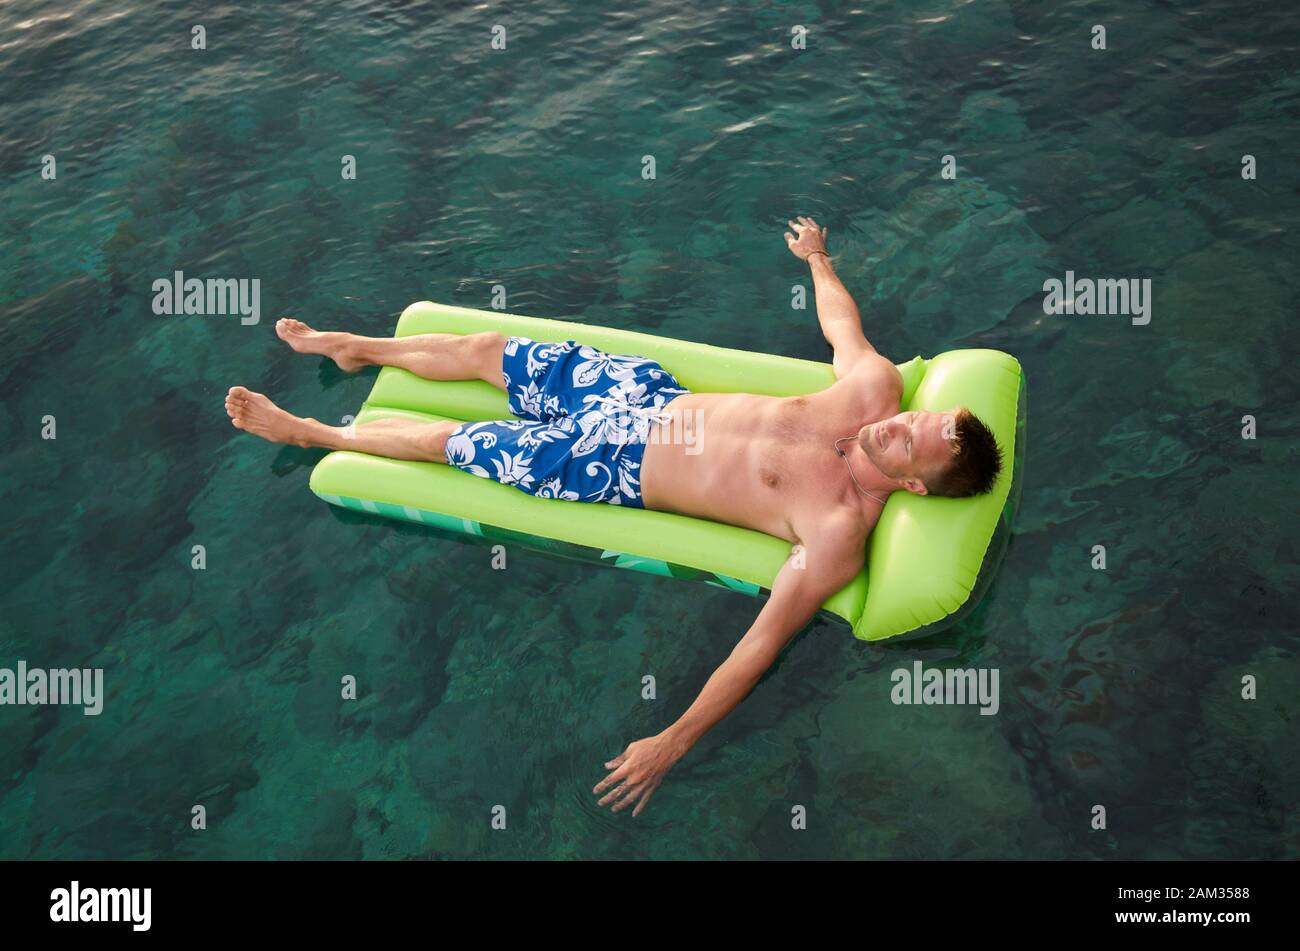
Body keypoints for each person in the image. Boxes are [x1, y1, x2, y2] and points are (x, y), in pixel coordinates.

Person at [226, 217, 1002, 816]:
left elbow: (760, 644)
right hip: (646, 397)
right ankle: (359, 349)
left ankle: (313, 432)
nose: (901, 423)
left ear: (918, 489)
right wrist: (817, 259)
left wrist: (674, 740)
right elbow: (842, 327)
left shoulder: (837, 528)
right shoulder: (872, 393)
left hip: (616, 466)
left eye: (914, 442)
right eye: (922, 416)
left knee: (452, 441)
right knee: (491, 345)